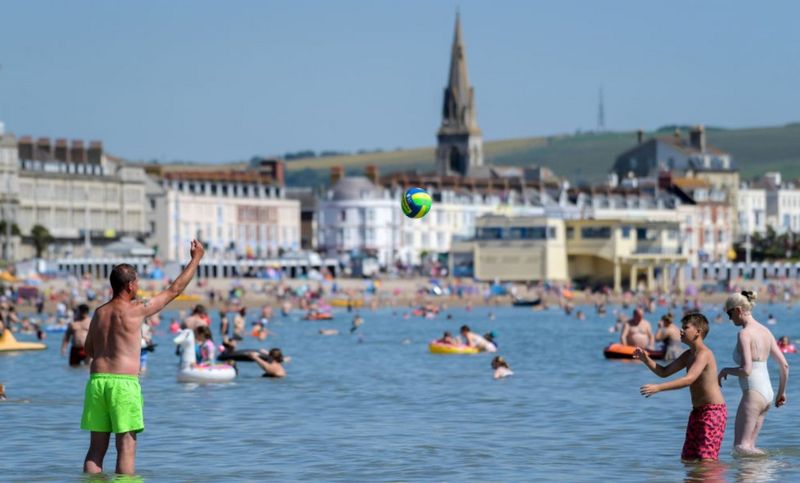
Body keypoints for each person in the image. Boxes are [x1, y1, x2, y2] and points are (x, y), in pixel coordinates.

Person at [80, 239, 204, 475]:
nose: (138, 286)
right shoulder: (137, 309)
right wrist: (196, 258)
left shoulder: (99, 313)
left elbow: (89, 350)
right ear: (129, 286)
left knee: (96, 449)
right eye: (136, 282)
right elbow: (174, 290)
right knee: (126, 447)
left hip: (97, 383)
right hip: (123, 384)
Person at [633, 312, 727, 462]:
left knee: (706, 460)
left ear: (698, 331)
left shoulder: (704, 354)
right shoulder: (687, 355)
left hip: (713, 412)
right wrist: (646, 360)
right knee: (688, 458)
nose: (681, 331)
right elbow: (664, 372)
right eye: (681, 327)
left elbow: (689, 379)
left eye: (685, 327)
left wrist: (659, 388)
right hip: (697, 412)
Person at [718, 290, 789, 457]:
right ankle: (764, 473)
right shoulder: (766, 331)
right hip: (768, 395)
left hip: (753, 394)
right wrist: (781, 393)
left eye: (729, 314)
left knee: (740, 448)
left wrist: (725, 370)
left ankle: (770, 467)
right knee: (750, 447)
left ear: (738, 310)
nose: (729, 319)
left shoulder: (744, 334)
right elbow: (785, 365)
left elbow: (746, 370)